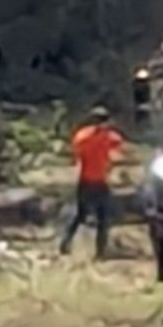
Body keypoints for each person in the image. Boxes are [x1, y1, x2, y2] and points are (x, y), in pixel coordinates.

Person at [60, 106, 126, 259]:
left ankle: (65, 242)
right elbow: (120, 146)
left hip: (85, 180)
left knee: (80, 214)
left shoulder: (82, 136)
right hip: (100, 182)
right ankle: (100, 252)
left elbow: (75, 153)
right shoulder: (110, 137)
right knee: (103, 218)